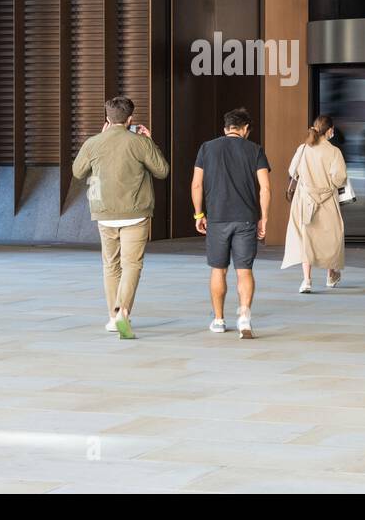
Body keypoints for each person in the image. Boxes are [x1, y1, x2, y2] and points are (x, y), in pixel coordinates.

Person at [71, 95, 169, 339]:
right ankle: (122, 311)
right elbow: (162, 170)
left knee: (110, 266)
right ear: (130, 119)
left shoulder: (93, 143)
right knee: (132, 265)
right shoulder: (139, 142)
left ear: (107, 118)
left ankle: (113, 318)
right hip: (135, 213)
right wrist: (150, 141)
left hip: (104, 214)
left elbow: (77, 171)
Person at [191, 107, 270, 339]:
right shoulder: (255, 150)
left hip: (217, 219)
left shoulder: (207, 148)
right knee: (244, 271)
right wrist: (264, 217)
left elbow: (196, 184)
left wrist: (199, 214)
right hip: (245, 218)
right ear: (245, 129)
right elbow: (265, 187)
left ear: (225, 128)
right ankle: (244, 317)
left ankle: (218, 320)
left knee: (219, 270)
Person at [282, 115, 348, 293]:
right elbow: (340, 178)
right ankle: (331, 275)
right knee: (331, 238)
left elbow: (292, 171)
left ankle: (307, 280)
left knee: (306, 239)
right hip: (327, 200)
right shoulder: (334, 152)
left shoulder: (303, 148)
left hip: (305, 200)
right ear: (329, 131)